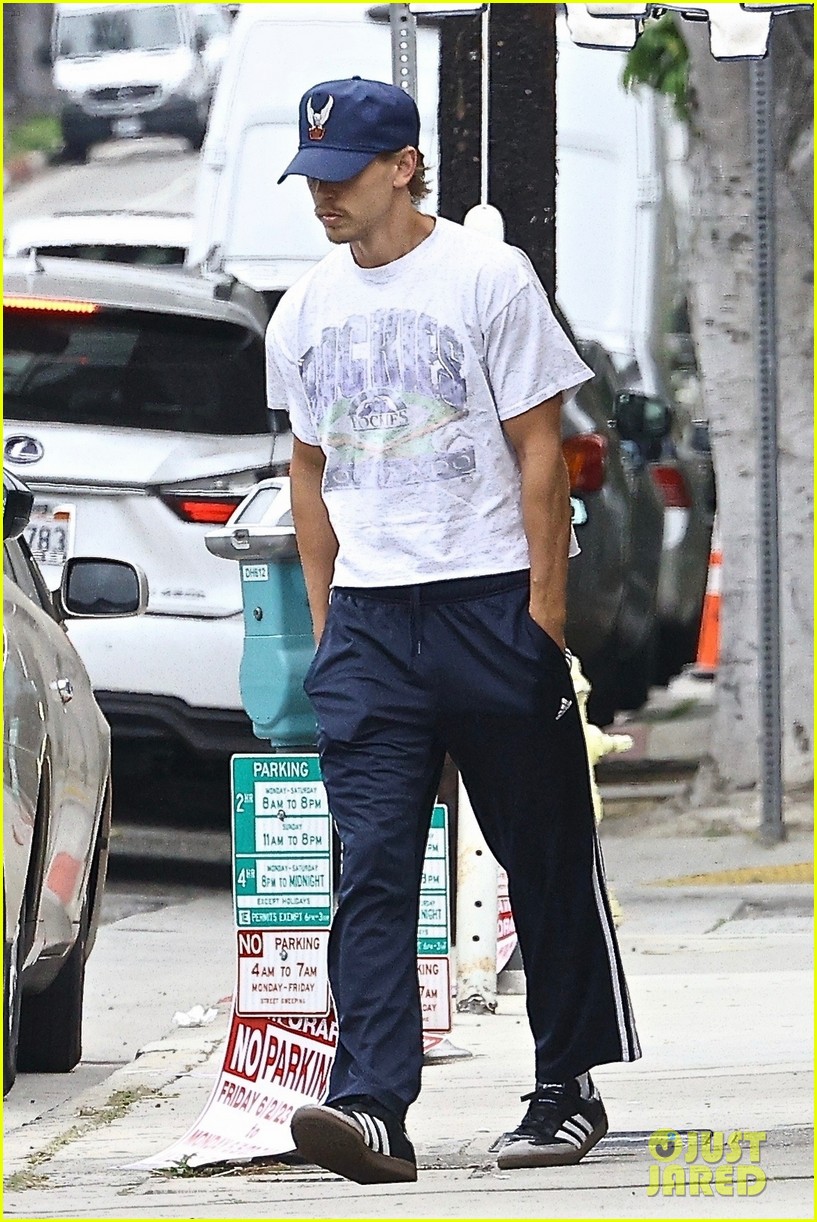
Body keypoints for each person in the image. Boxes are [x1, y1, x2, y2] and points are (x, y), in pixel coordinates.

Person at [266, 76, 641, 1186]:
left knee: (542, 854)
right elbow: (309, 468)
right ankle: (371, 1104)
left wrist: (544, 614)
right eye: (312, 179)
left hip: (488, 602)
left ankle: (565, 1083)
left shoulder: (485, 276)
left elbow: (541, 447)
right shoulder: (304, 309)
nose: (323, 198)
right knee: (372, 867)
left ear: (404, 166)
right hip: (375, 625)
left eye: (341, 178)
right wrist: (331, 623)